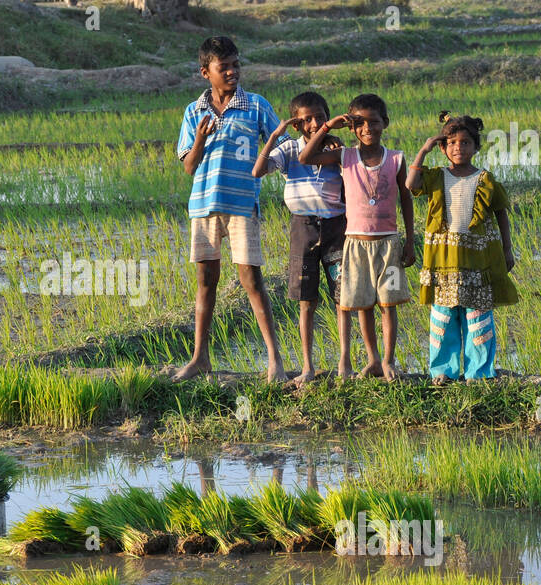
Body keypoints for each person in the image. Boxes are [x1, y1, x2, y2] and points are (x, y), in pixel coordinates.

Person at [174, 35, 287, 383]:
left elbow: (282, 147)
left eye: (236, 65)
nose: (233, 72)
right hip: (205, 205)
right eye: (224, 67)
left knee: (252, 280)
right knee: (206, 280)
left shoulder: (255, 106)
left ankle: (275, 362)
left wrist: (269, 167)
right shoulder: (194, 112)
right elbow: (189, 166)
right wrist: (199, 141)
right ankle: (199, 358)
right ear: (205, 72)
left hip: (242, 206)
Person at [298, 93, 415, 380]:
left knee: (388, 305)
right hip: (355, 244)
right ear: (351, 128)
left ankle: (388, 361)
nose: (367, 129)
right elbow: (306, 157)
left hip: (388, 243)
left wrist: (410, 240)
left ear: (385, 123)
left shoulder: (397, 159)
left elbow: (406, 197)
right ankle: (373, 360)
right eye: (359, 123)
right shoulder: (345, 156)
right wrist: (328, 126)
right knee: (362, 305)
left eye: (373, 122)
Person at [406, 111, 518, 382]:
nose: (459, 148)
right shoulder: (435, 177)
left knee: (477, 315)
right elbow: (410, 184)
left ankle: (479, 372)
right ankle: (443, 371)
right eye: (452, 143)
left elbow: (502, 212)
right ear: (443, 148)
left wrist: (507, 249)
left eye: (465, 142)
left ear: (476, 147)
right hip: (443, 261)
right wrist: (423, 150)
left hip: (477, 261)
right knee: (443, 317)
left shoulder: (486, 179)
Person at [253, 91, 344, 387]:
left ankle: (345, 363)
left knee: (343, 299)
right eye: (307, 120)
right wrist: (275, 134)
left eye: (320, 117)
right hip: (303, 228)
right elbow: (258, 170)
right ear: (296, 125)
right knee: (307, 300)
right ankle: (307, 366)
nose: (314, 123)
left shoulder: (336, 149)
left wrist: (337, 145)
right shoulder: (290, 149)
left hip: (336, 228)